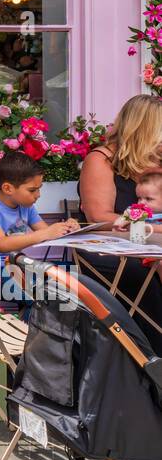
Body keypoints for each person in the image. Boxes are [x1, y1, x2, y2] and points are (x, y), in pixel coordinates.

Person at [79, 94, 162, 336]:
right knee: (140, 272)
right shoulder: (101, 160)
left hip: (149, 246)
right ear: (144, 130)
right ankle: (149, 355)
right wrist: (152, 230)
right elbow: (98, 217)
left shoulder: (154, 163)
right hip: (113, 250)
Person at [0, 150, 78, 314]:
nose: (38, 195)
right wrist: (45, 234)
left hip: (18, 268)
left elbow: (47, 233)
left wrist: (68, 228)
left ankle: (36, 326)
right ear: (8, 188)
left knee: (72, 276)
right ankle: (33, 334)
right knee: (47, 296)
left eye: (39, 189)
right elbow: (2, 244)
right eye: (32, 190)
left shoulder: (26, 207)